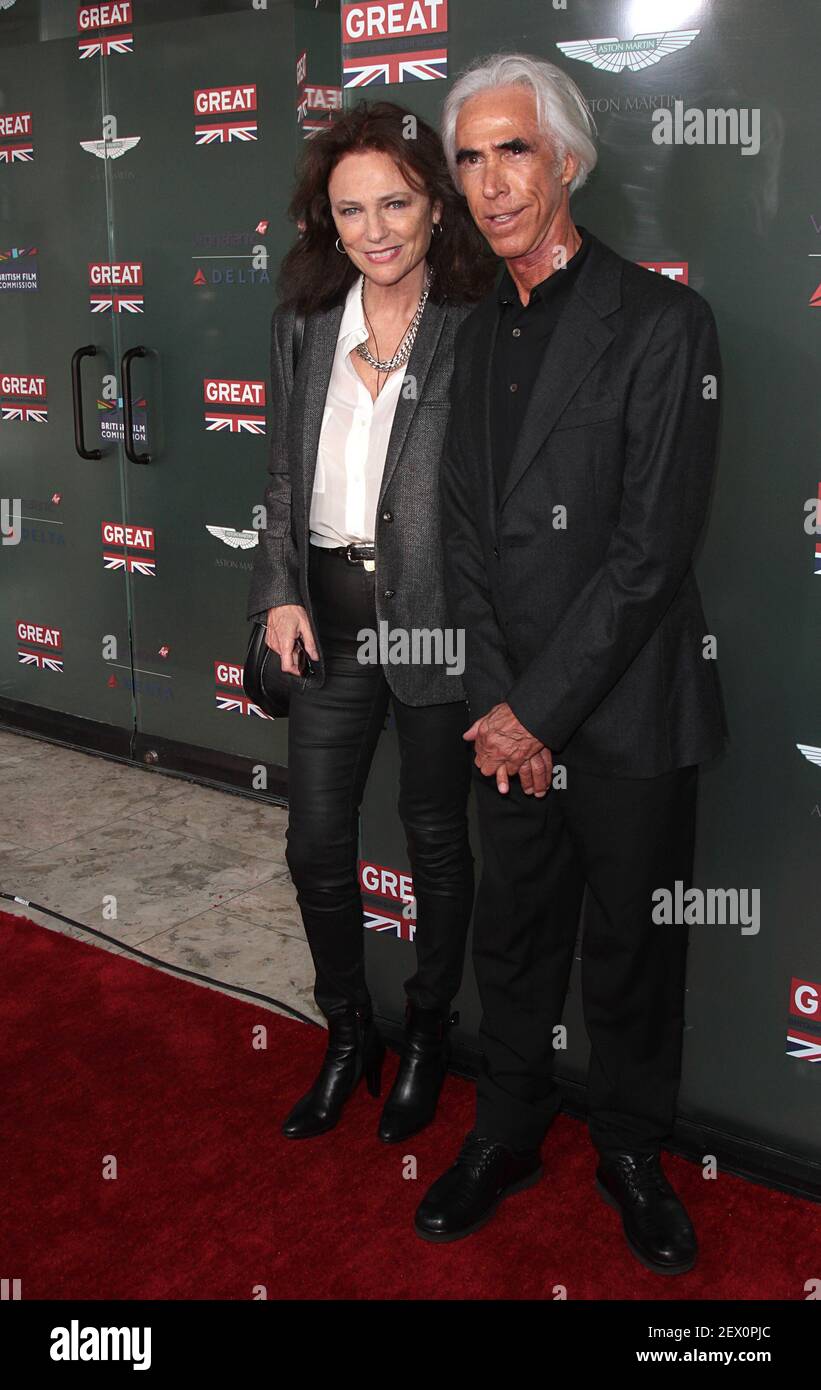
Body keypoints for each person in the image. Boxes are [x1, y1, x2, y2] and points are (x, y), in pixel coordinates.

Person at [415, 54, 727, 1275]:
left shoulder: (661, 324)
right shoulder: (460, 335)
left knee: (631, 948)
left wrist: (534, 712)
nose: (491, 184)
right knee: (515, 938)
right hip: (507, 715)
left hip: (628, 711)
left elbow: (650, 556)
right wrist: (500, 707)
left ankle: (632, 1152)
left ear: (566, 162)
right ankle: (504, 1129)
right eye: (470, 160)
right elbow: (457, 536)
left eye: (514, 152)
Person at [247, 100, 497, 1144]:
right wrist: (276, 590)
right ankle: (348, 1028)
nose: (375, 229)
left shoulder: (477, 323)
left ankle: (428, 1031)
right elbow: (276, 470)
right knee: (314, 844)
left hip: (435, 628)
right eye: (350, 210)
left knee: (436, 843)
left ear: (436, 206)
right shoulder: (307, 322)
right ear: (327, 222)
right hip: (328, 620)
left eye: (394, 202)